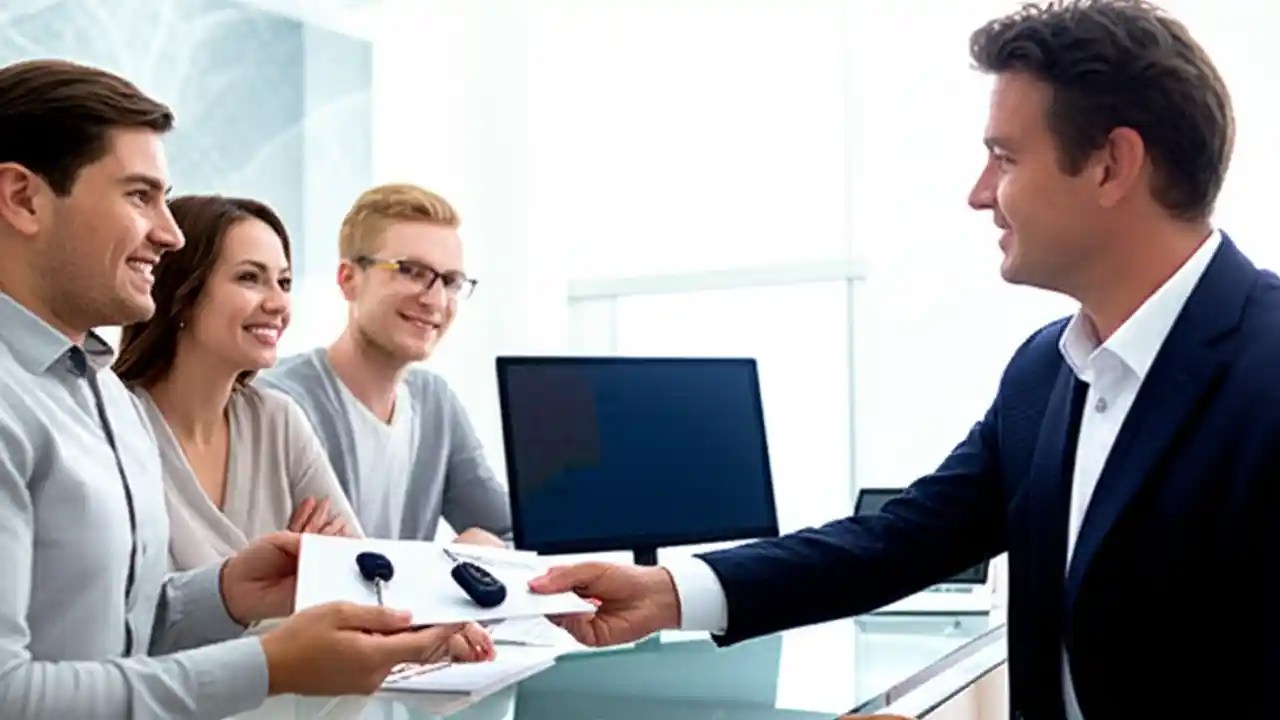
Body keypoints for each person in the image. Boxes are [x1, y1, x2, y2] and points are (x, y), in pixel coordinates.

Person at [530, 2, 1275, 718]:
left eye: (1005, 158)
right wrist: (669, 591)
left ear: (1112, 165)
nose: (979, 194)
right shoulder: (1045, 371)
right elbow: (901, 540)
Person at [0, 58, 481, 718]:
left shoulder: (103, 400)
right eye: (139, 196)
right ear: (22, 199)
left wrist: (226, 591)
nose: (168, 233)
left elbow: (128, 633)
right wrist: (270, 664)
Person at [114, 194, 362, 570]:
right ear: (183, 294)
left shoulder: (278, 422)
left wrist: (318, 571)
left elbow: (357, 570)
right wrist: (295, 575)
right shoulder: (114, 426)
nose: (278, 304)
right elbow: (126, 599)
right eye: (250, 278)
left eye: (284, 282)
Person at [258, 183, 511, 546]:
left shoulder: (435, 402)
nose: (436, 300)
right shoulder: (276, 402)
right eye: (411, 271)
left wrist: (490, 550)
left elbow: (512, 534)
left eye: (451, 281)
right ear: (348, 279)